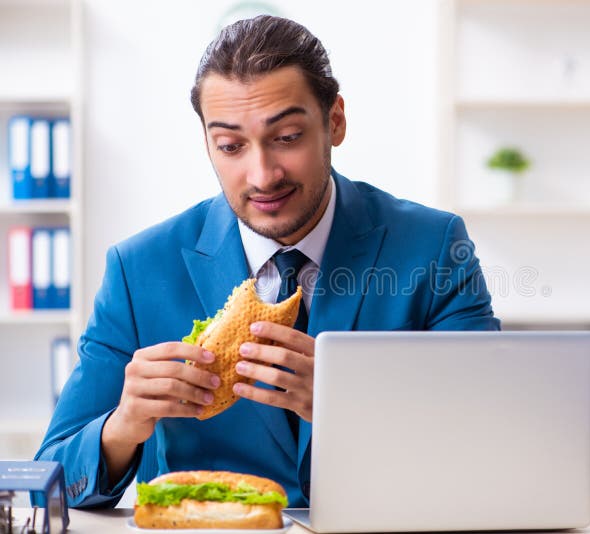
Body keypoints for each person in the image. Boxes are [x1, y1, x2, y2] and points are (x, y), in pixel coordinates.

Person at [35, 15, 499, 509]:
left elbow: (491, 444)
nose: (262, 175)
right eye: (231, 146)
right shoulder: (138, 269)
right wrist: (122, 425)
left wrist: (355, 406)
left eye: (287, 136)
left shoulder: (434, 247)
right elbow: (48, 481)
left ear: (334, 121)